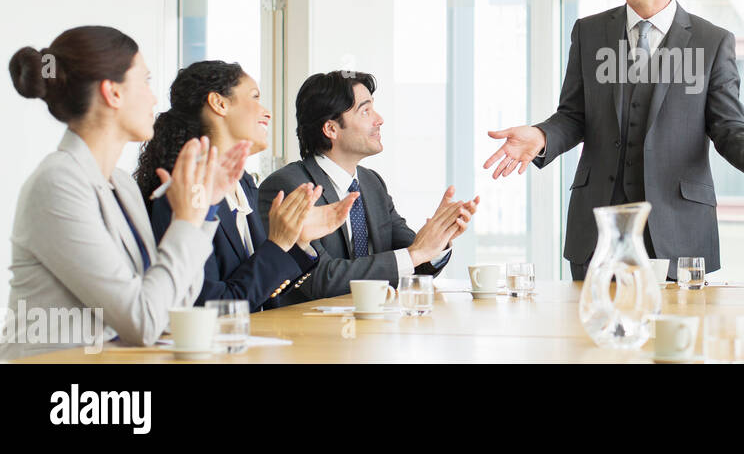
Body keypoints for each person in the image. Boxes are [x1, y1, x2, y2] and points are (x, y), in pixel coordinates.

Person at [481, 0, 744, 280]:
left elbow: (728, 126)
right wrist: (542, 135)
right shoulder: (590, 33)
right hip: (597, 230)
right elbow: (574, 115)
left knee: (674, 336)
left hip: (678, 231)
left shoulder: (712, 41)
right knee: (590, 334)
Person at [3, 26, 248, 359]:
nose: (153, 98)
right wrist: (187, 222)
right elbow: (142, 321)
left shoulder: (122, 184)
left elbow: (170, 308)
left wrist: (204, 208)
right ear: (113, 93)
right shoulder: (57, 184)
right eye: (145, 81)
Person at [135, 60, 358, 311]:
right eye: (254, 97)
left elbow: (258, 291)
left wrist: (298, 241)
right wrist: (278, 245)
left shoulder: (245, 185)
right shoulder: (184, 193)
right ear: (219, 103)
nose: (267, 112)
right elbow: (211, 306)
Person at [258, 70, 477, 304]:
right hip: (310, 333)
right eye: (366, 111)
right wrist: (416, 253)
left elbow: (413, 263)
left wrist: (439, 237)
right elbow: (319, 278)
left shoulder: (372, 183)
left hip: (370, 330)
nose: (379, 119)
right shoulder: (289, 186)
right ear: (331, 129)